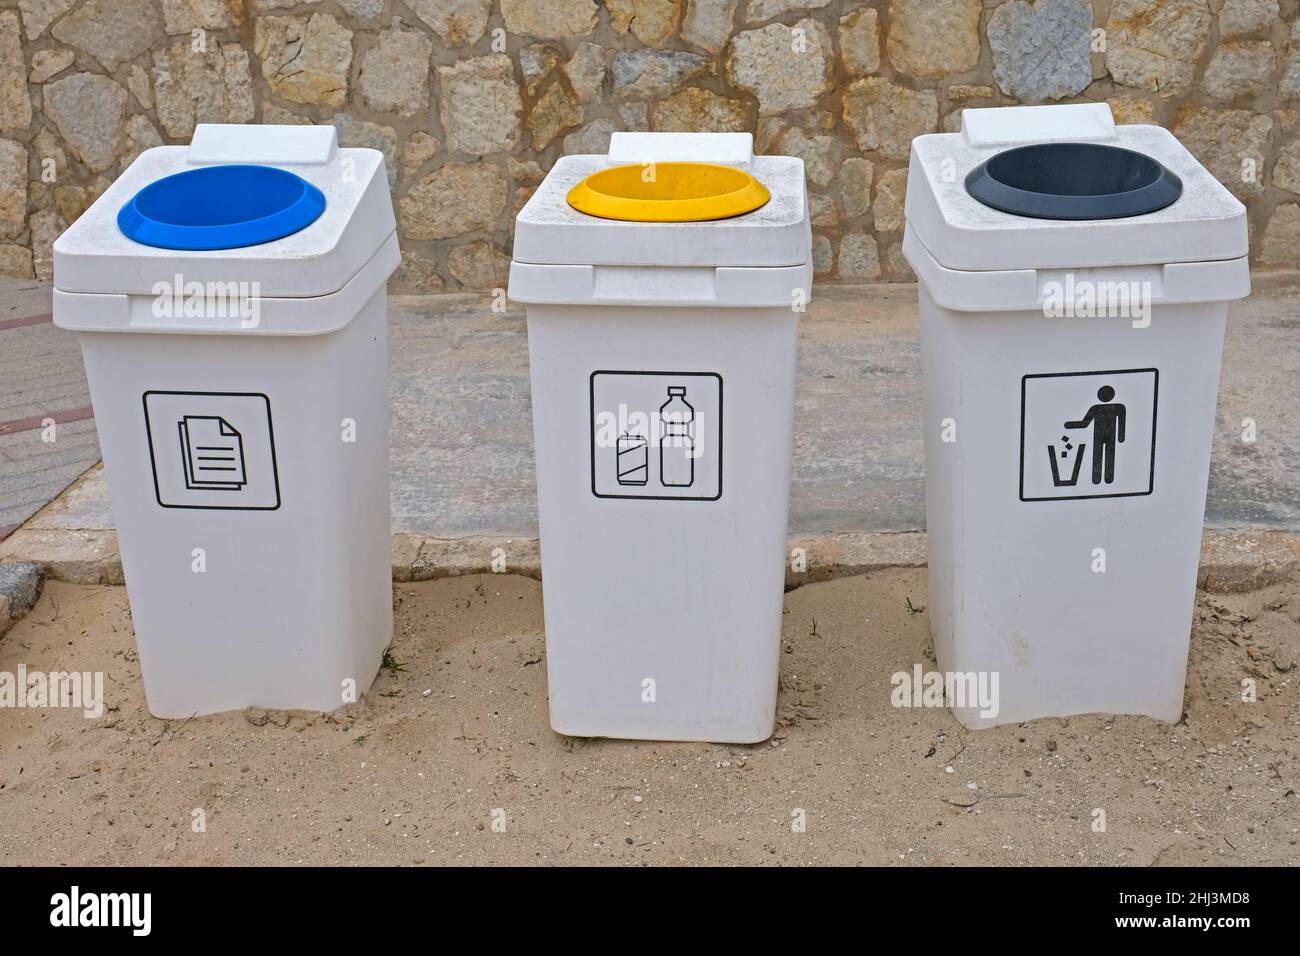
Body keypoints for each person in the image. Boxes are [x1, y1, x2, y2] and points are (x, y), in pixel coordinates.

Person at [1065, 385, 1125, 485]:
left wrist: (1120, 437)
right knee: (1099, 456)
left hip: (1109, 436)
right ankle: (1097, 478)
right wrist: (1069, 425)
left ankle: (1107, 478)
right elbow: (1084, 423)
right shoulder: (1096, 408)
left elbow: (1122, 423)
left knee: (1108, 456)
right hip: (1100, 436)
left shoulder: (1118, 408)